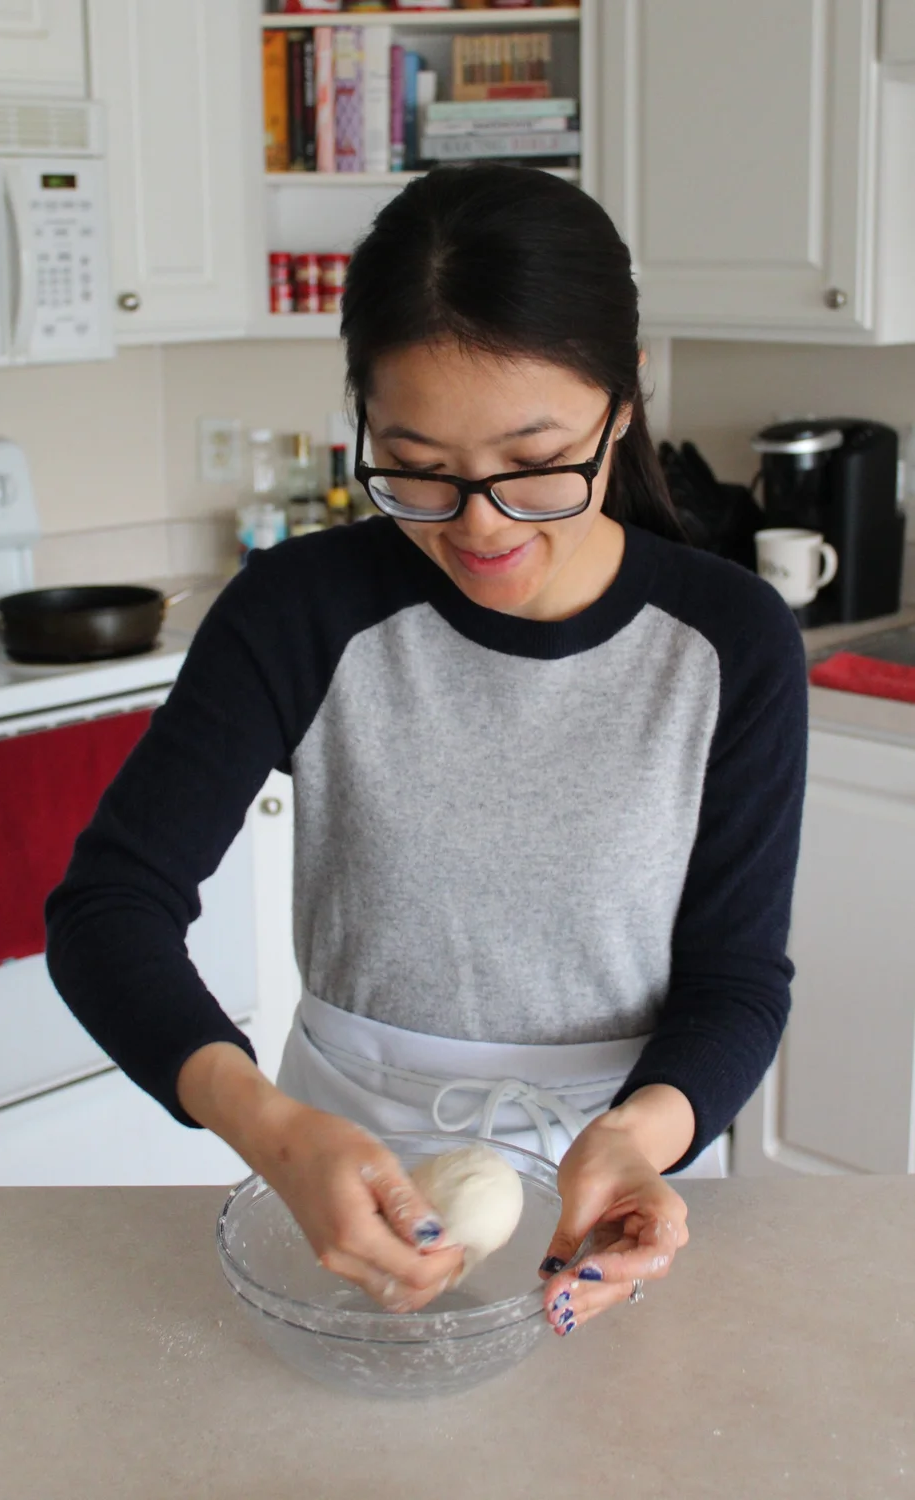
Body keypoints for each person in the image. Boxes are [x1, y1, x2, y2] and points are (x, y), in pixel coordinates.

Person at [46, 165, 807, 1336]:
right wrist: (269, 1127)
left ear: (626, 399)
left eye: (534, 460)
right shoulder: (299, 609)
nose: (480, 524)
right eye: (418, 468)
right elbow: (109, 909)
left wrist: (635, 1136)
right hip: (336, 1164)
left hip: (623, 1173)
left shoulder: (728, 642)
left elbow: (735, 981)